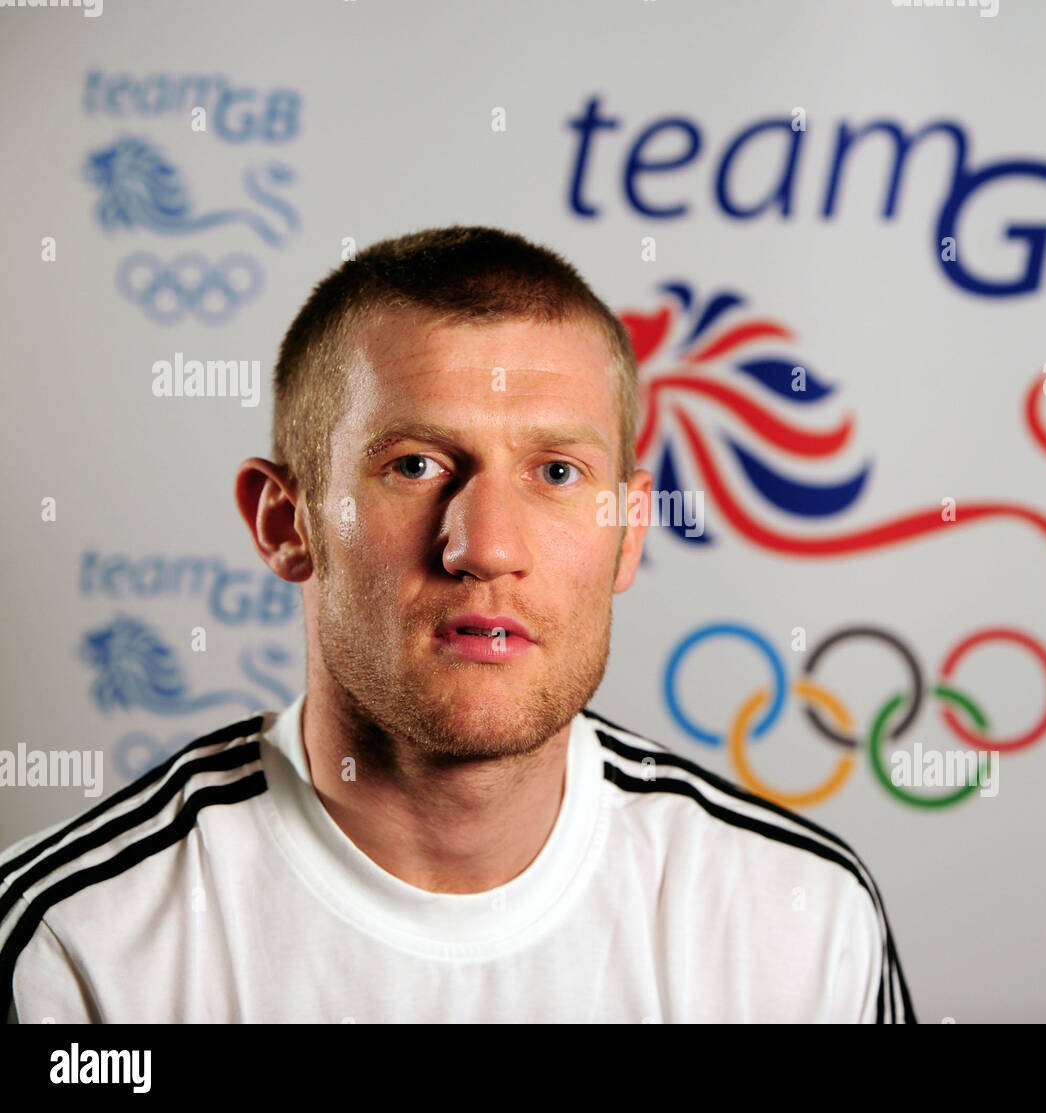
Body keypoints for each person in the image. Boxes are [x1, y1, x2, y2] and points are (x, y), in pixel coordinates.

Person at [1, 226, 915, 1023]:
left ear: (629, 532)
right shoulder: (73, 941)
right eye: (414, 464)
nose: (484, 546)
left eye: (557, 473)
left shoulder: (804, 916)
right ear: (286, 523)